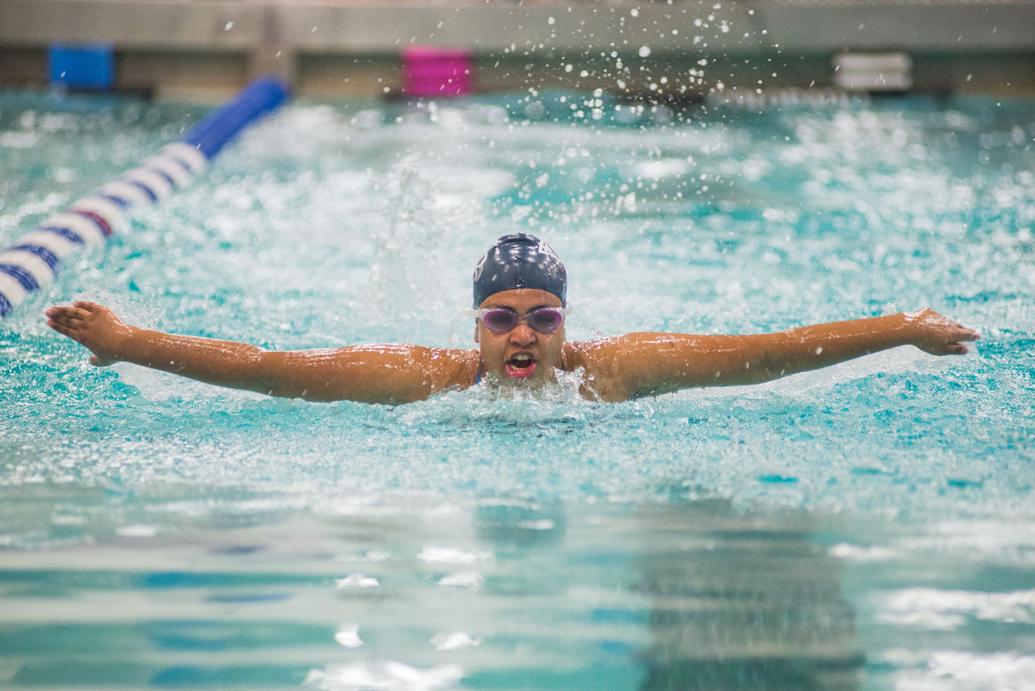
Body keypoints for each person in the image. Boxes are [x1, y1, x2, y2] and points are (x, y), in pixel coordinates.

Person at [45, 233, 979, 405]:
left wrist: (899, 326)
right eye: (500, 317)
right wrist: (129, 345)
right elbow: (268, 367)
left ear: (567, 323)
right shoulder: (423, 377)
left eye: (540, 317)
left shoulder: (617, 371)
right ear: (475, 324)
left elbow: (766, 357)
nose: (521, 335)